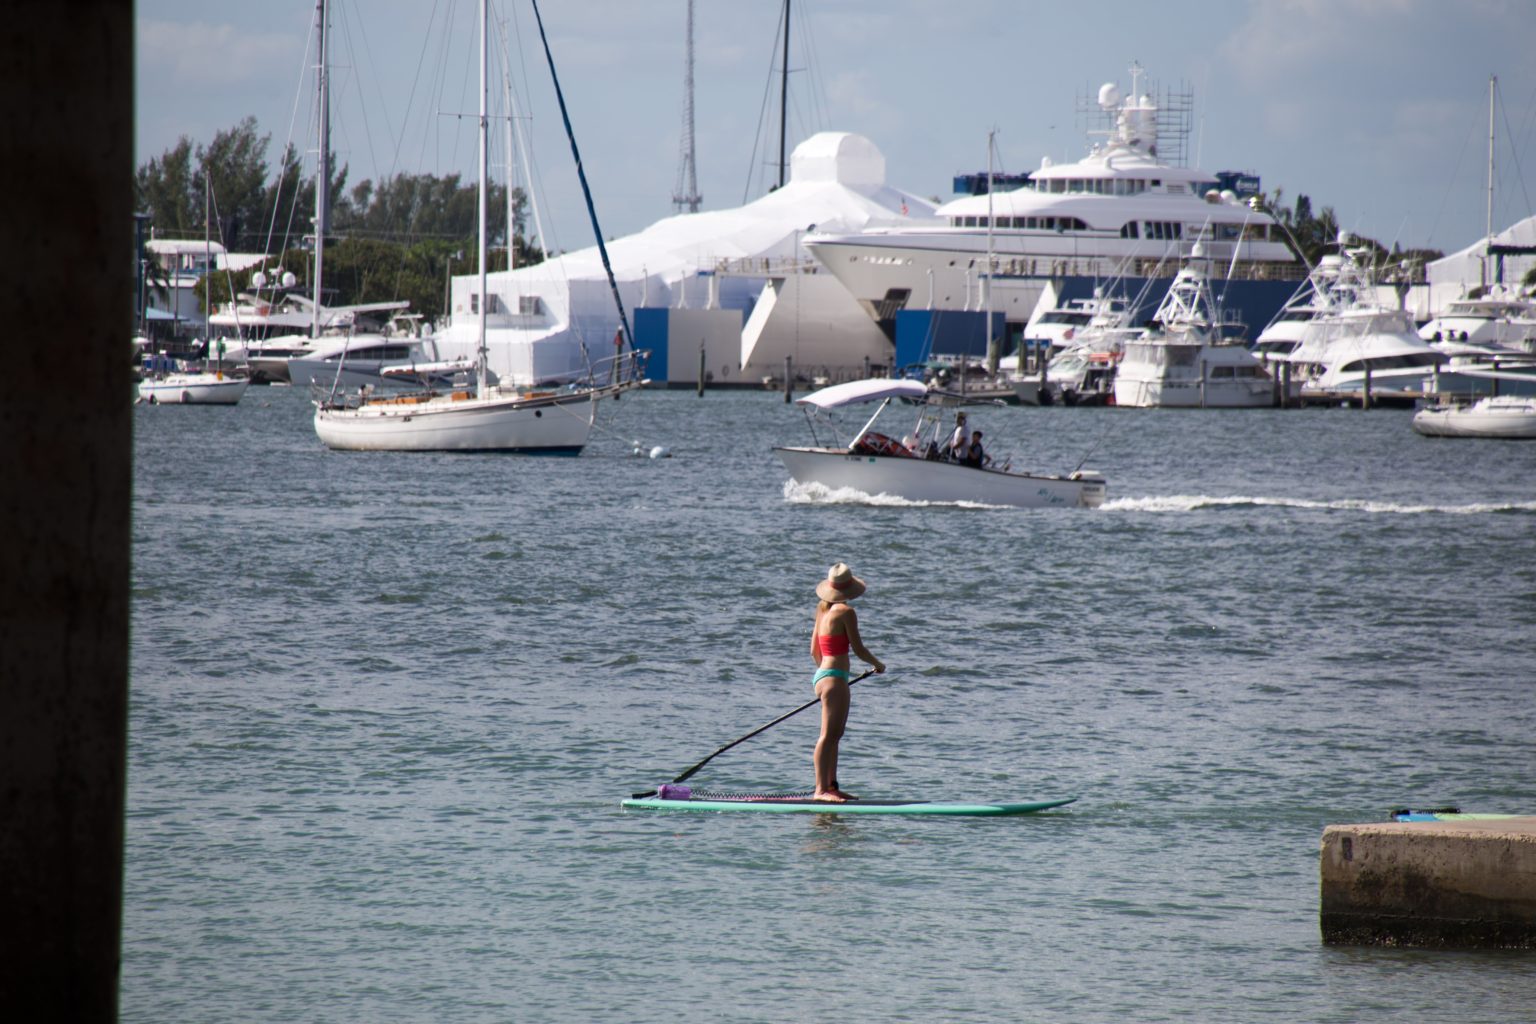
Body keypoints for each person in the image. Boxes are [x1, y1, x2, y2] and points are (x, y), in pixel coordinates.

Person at [809, 562, 885, 802]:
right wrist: (878, 664)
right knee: (828, 735)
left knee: (835, 734)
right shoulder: (846, 612)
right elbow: (859, 649)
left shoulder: (822, 611)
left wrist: (826, 672)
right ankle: (820, 790)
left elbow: (814, 651)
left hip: (824, 676)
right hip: (833, 679)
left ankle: (831, 786)